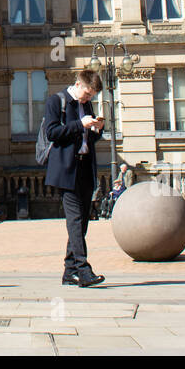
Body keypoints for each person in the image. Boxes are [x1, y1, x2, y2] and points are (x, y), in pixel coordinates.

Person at [42, 69, 107, 287]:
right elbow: (52, 133)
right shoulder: (56, 101)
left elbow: (87, 139)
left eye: (91, 97)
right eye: (87, 94)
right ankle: (83, 269)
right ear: (78, 85)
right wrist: (81, 124)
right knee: (75, 220)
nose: (89, 99)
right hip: (66, 169)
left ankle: (70, 272)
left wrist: (97, 129)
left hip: (85, 167)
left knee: (83, 221)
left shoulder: (86, 105)